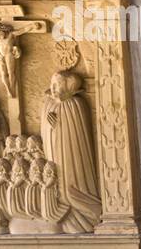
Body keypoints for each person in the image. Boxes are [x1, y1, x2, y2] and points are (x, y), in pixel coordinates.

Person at [40, 69, 101, 232]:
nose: (53, 89)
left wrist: (59, 124)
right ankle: (63, 213)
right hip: (53, 150)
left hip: (71, 153)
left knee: (70, 185)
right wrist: (49, 124)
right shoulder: (48, 103)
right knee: (57, 183)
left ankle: (87, 212)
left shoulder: (76, 104)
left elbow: (79, 134)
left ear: (69, 86)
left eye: (57, 85)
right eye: (52, 84)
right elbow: (45, 129)